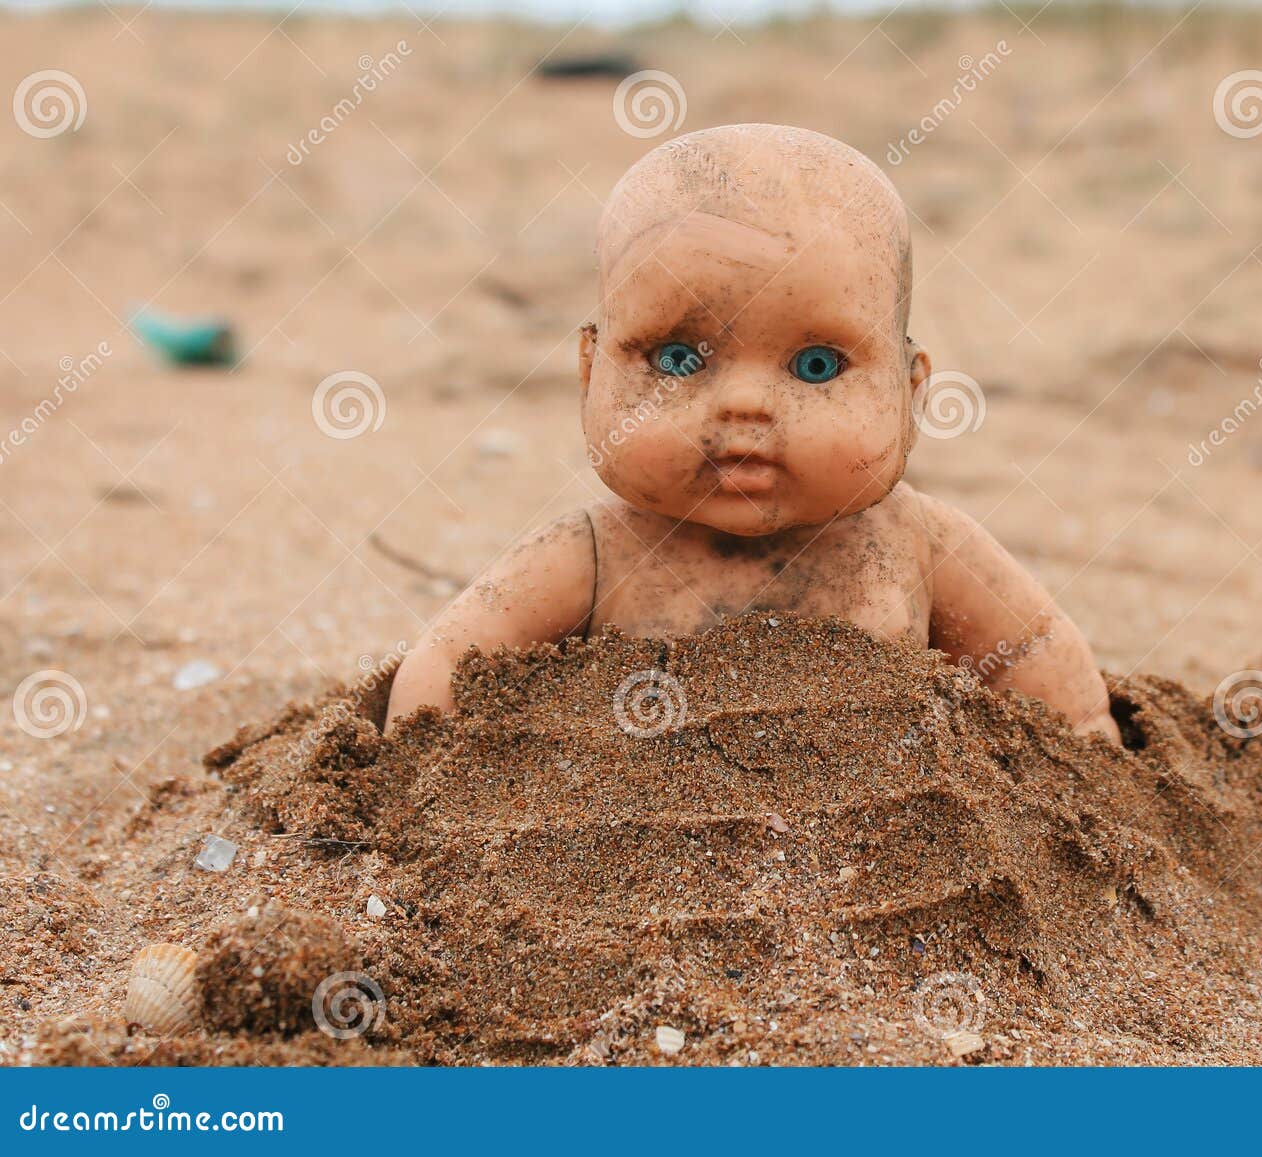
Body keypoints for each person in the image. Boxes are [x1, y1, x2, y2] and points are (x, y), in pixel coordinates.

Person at [385, 123, 1117, 744]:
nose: (743, 404)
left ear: (910, 393)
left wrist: (1091, 755)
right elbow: (450, 660)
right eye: (677, 359)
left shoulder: (920, 545)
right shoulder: (599, 552)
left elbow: (1033, 654)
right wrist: (415, 761)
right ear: (589, 375)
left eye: (816, 365)